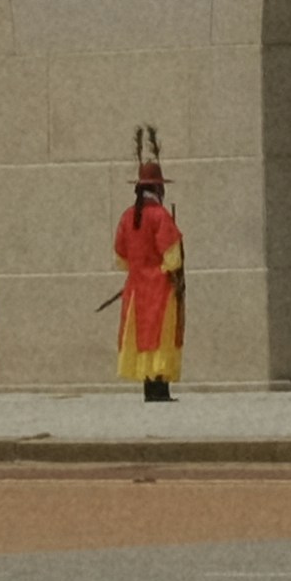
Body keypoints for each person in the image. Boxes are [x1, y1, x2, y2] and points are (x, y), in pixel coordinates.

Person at [114, 153, 186, 403]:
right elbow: (173, 257)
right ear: (158, 188)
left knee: (142, 337)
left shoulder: (127, 217)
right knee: (161, 336)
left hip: (136, 288)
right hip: (159, 288)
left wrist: (138, 268)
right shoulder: (160, 216)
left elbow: (120, 257)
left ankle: (149, 387)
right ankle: (159, 389)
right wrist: (166, 271)